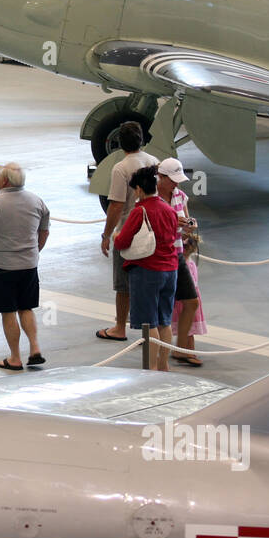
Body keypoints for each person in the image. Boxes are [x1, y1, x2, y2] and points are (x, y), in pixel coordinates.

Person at [0, 162, 50, 371]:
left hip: (1, 265)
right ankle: (35, 348)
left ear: (5, 180)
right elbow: (44, 232)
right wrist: (35, 251)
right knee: (26, 307)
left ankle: (15, 357)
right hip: (28, 264)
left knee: (8, 311)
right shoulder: (36, 200)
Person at [112, 165, 179, 371]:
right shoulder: (169, 209)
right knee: (164, 322)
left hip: (147, 272)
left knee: (149, 324)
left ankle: (149, 370)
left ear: (139, 189)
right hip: (171, 270)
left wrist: (115, 236)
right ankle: (163, 364)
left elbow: (122, 242)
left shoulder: (139, 211)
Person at [97, 121, 158, 341]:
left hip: (128, 234)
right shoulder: (154, 162)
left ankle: (120, 327)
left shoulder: (121, 168)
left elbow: (116, 205)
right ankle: (150, 328)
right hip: (152, 233)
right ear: (142, 140)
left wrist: (106, 235)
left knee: (123, 285)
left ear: (119, 143)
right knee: (149, 283)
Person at [157, 157, 204, 366]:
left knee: (191, 302)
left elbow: (186, 222)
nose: (176, 184)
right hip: (158, 257)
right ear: (161, 177)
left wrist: (189, 226)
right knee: (161, 307)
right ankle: (163, 353)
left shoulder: (180, 196)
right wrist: (174, 222)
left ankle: (180, 347)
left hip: (177, 255)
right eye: (172, 180)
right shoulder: (151, 199)